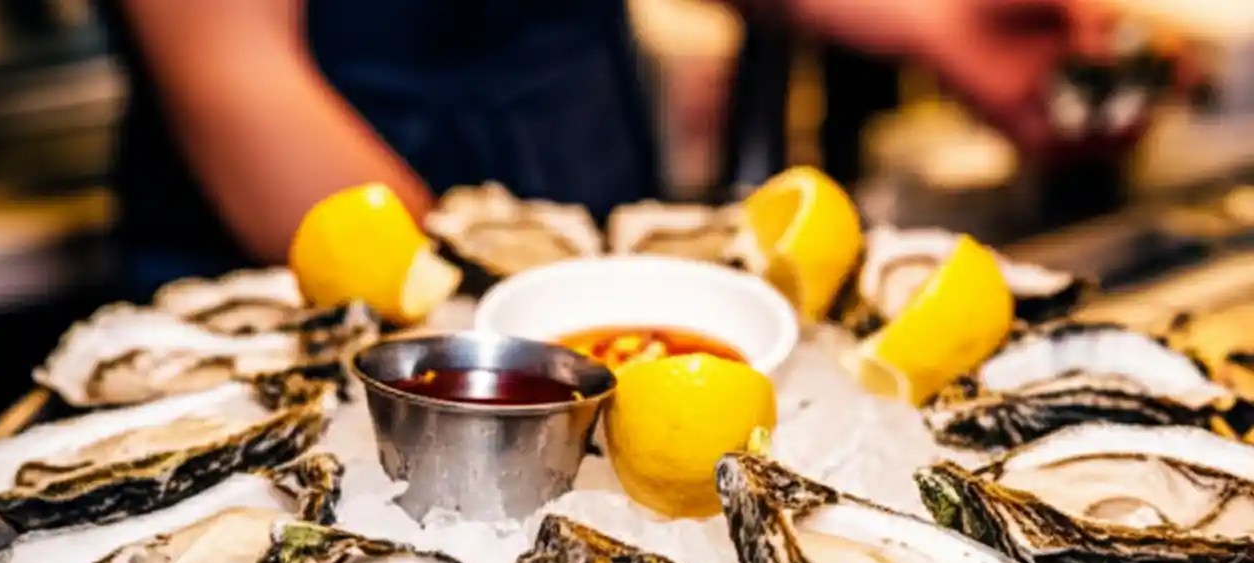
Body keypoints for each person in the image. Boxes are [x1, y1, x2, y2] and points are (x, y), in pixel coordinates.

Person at [99, 0, 1121, 299]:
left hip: (581, 194)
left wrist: (933, 22)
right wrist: (492, 325)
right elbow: (239, 79)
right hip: (298, 281)